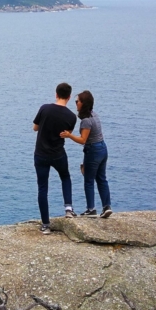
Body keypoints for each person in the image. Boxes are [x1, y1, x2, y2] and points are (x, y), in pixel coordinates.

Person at [33, 82, 78, 234]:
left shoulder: (44, 108)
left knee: (42, 188)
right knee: (65, 177)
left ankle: (46, 225)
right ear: (69, 97)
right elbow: (67, 132)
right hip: (58, 153)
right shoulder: (71, 116)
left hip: (41, 154)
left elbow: (35, 127)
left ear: (56, 94)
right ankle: (68, 209)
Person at [60, 90, 112, 218]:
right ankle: (107, 206)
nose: (76, 103)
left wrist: (69, 135)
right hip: (102, 148)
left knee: (88, 180)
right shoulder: (95, 115)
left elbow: (83, 140)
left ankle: (91, 209)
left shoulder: (86, 121)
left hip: (93, 150)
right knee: (101, 178)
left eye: (77, 101)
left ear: (83, 103)